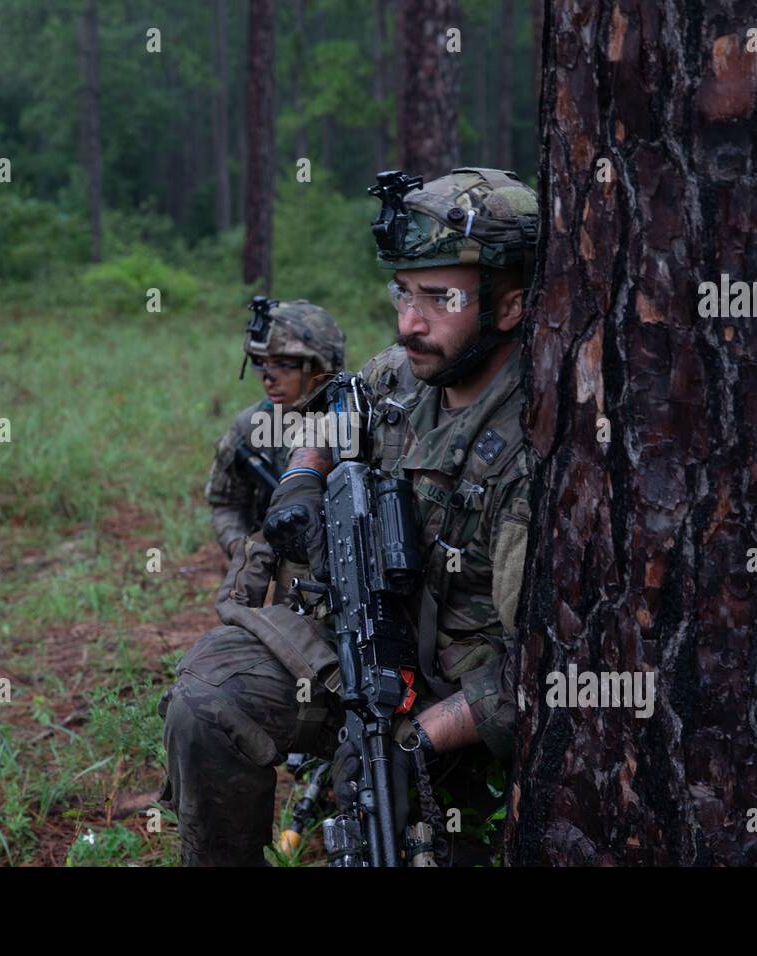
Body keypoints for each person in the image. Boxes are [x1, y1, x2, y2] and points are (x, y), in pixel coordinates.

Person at [159, 166, 541, 866]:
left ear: (510, 306)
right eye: (404, 293)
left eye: (439, 299)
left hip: (463, 711)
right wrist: (304, 480)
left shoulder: (538, 441)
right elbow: (341, 410)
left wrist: (420, 737)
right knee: (207, 704)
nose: (409, 323)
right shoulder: (399, 374)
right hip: (353, 661)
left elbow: (542, 670)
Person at [205, 297, 344, 608]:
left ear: (319, 365)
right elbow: (225, 502)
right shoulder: (252, 427)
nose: (269, 376)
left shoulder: (358, 420)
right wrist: (241, 546)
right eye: (262, 364)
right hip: (290, 580)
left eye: (284, 364)